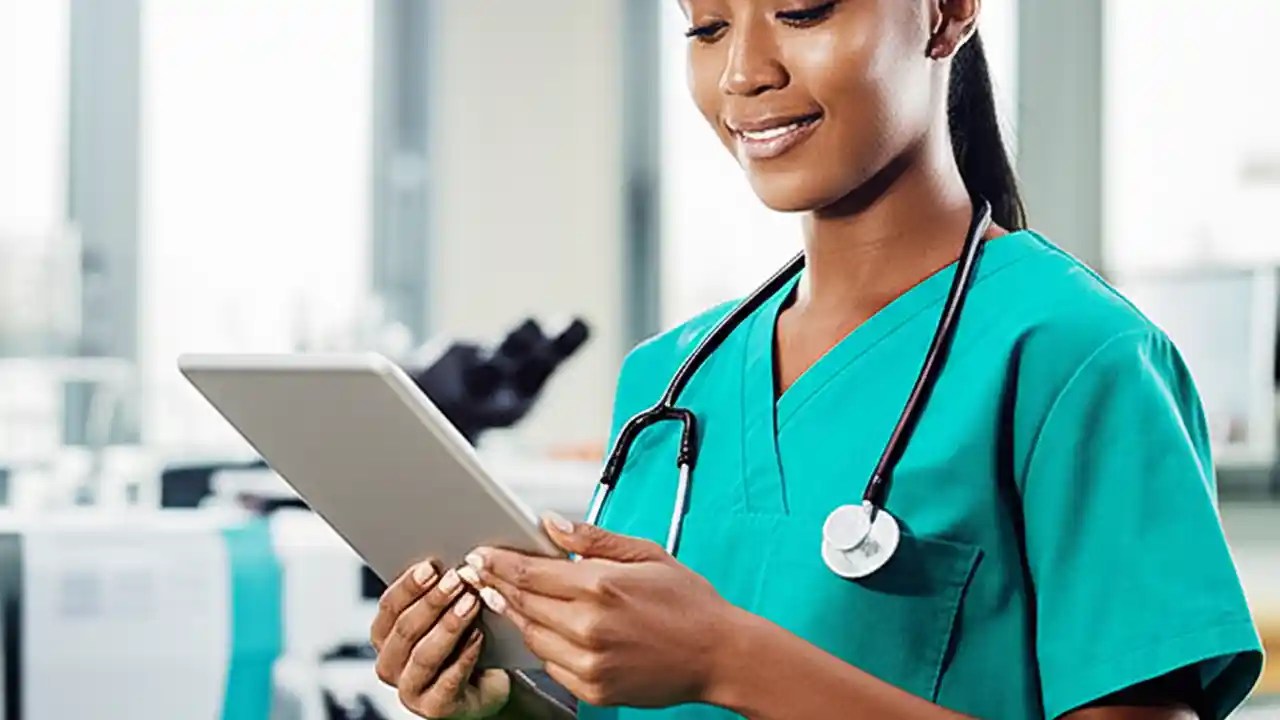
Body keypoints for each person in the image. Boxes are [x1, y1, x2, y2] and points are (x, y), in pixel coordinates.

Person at [369, 1, 1265, 718]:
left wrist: (727, 659)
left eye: (801, 12)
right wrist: (496, 709)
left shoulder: (1077, 360)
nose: (743, 73)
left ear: (949, 13)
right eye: (707, 27)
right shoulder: (667, 383)